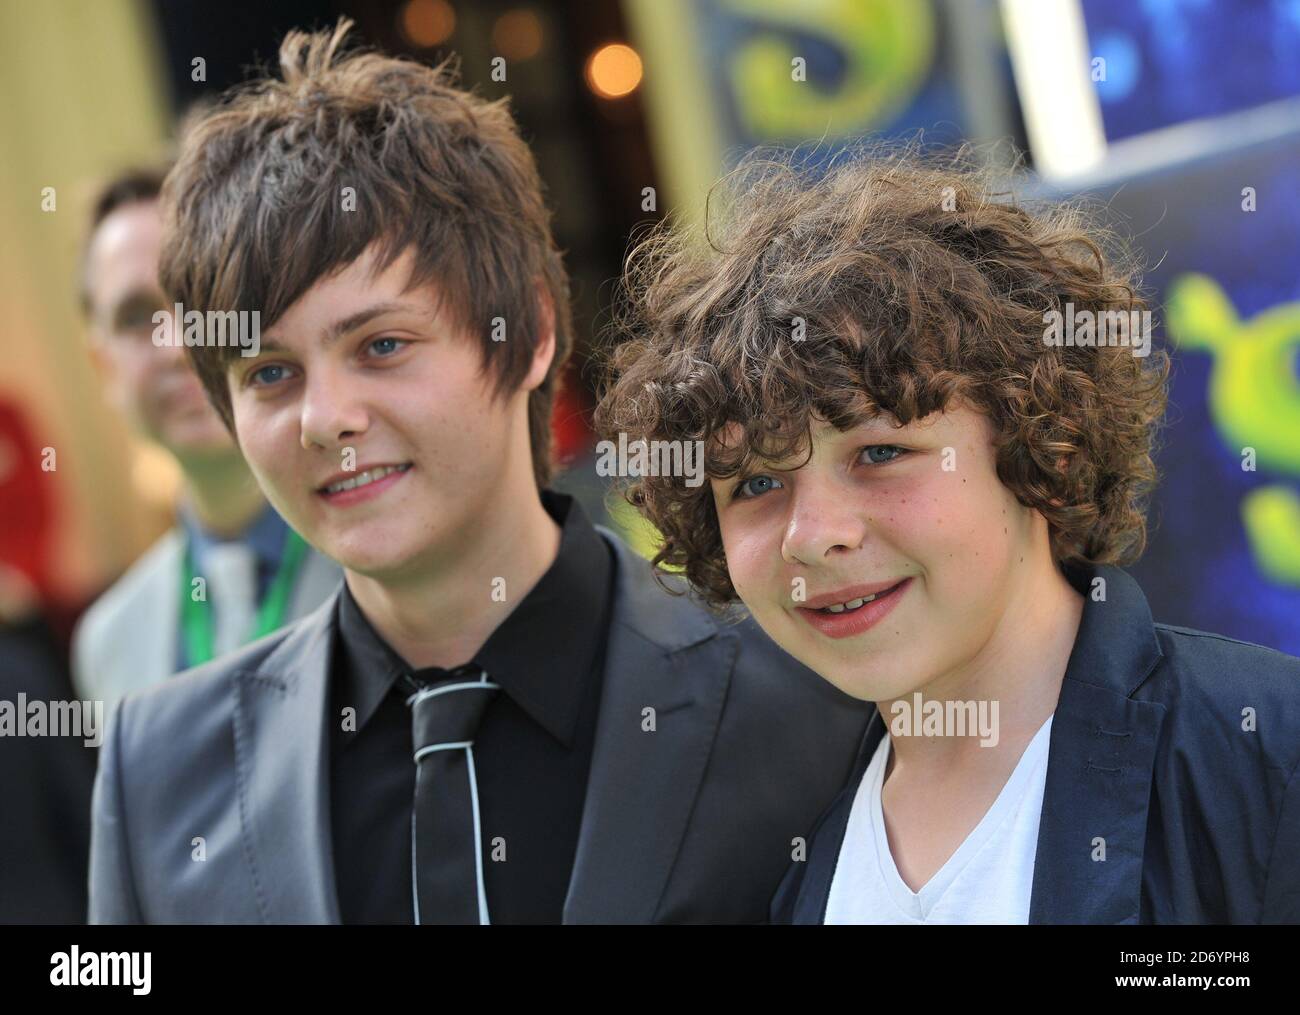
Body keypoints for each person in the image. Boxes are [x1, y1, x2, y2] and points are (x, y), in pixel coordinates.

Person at [87, 20, 868, 925]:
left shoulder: (809, 694)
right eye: (270, 372)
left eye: (381, 345)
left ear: (531, 333)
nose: (324, 416)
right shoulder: (158, 769)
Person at [595, 145, 1300, 924]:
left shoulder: (1265, 758)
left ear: (1036, 443)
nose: (812, 535)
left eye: (880, 452)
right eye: (755, 483)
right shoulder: (777, 864)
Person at [73, 164, 341, 715]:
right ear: (102, 368)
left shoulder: (397, 555)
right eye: (136, 317)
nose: (178, 345)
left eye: (199, 299)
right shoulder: (108, 646)